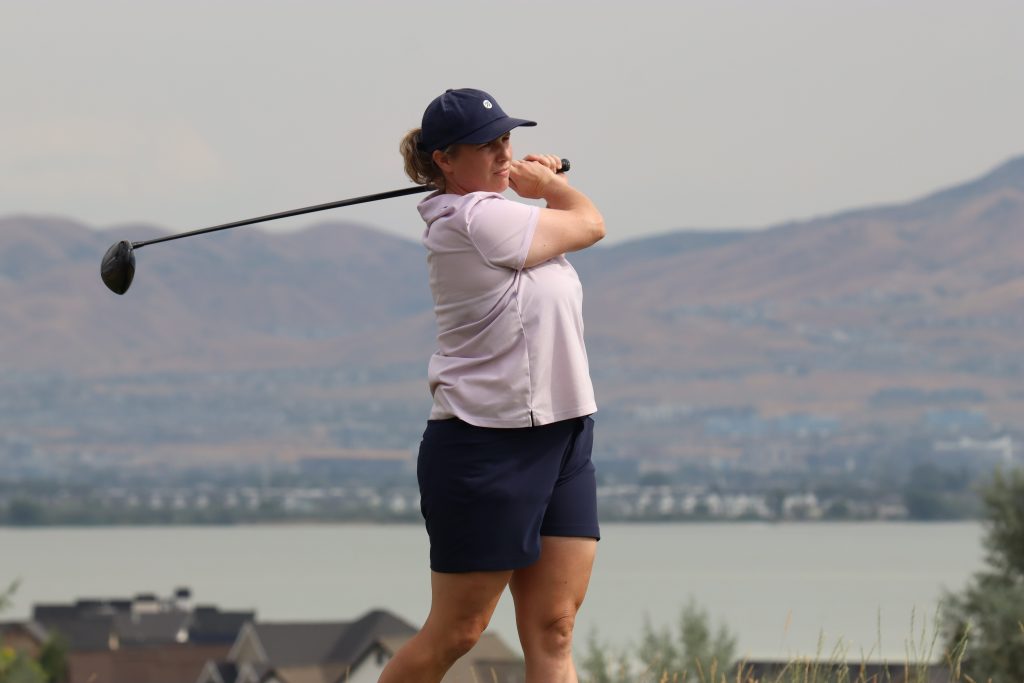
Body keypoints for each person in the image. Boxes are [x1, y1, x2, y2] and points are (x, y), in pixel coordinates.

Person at [379, 88, 605, 683]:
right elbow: (590, 223)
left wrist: (528, 188)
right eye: (486, 146)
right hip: (485, 446)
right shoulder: (475, 218)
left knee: (553, 626)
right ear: (444, 161)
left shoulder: (501, 215)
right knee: (457, 633)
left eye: (506, 139)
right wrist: (550, 186)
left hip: (563, 433)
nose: (504, 154)